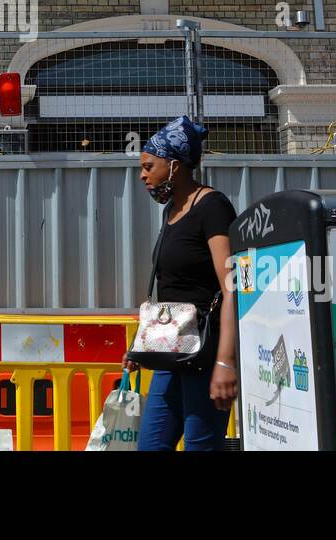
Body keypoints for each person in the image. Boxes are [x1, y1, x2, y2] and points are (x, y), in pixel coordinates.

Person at [127, 115, 239, 451]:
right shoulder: (172, 212)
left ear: (174, 166)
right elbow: (172, 290)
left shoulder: (212, 207)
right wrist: (139, 345)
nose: (143, 175)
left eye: (149, 166)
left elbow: (233, 287)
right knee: (150, 445)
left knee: (200, 446)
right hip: (169, 351)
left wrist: (224, 362)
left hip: (205, 355)